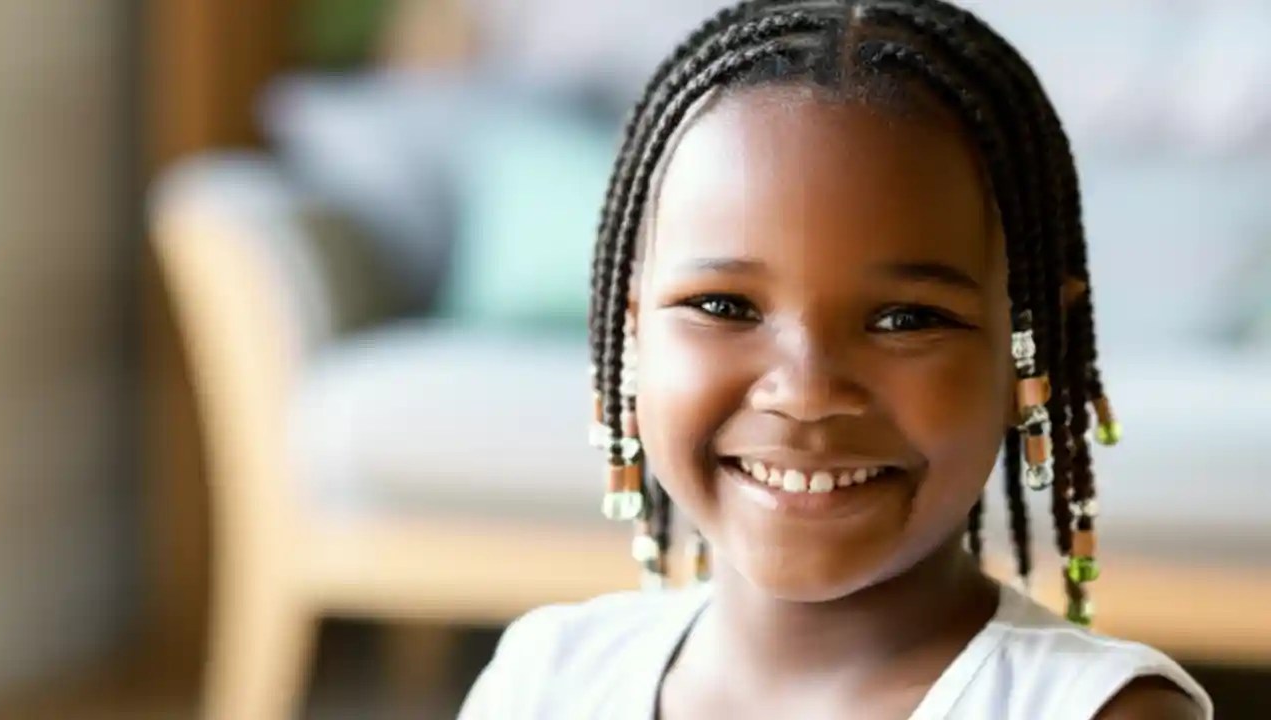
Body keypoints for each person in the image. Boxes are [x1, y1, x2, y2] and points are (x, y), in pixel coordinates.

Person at [458, 1, 1214, 717]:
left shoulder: (1102, 714)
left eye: (906, 319)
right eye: (724, 306)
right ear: (633, 334)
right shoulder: (544, 680)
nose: (807, 392)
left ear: (1033, 348)